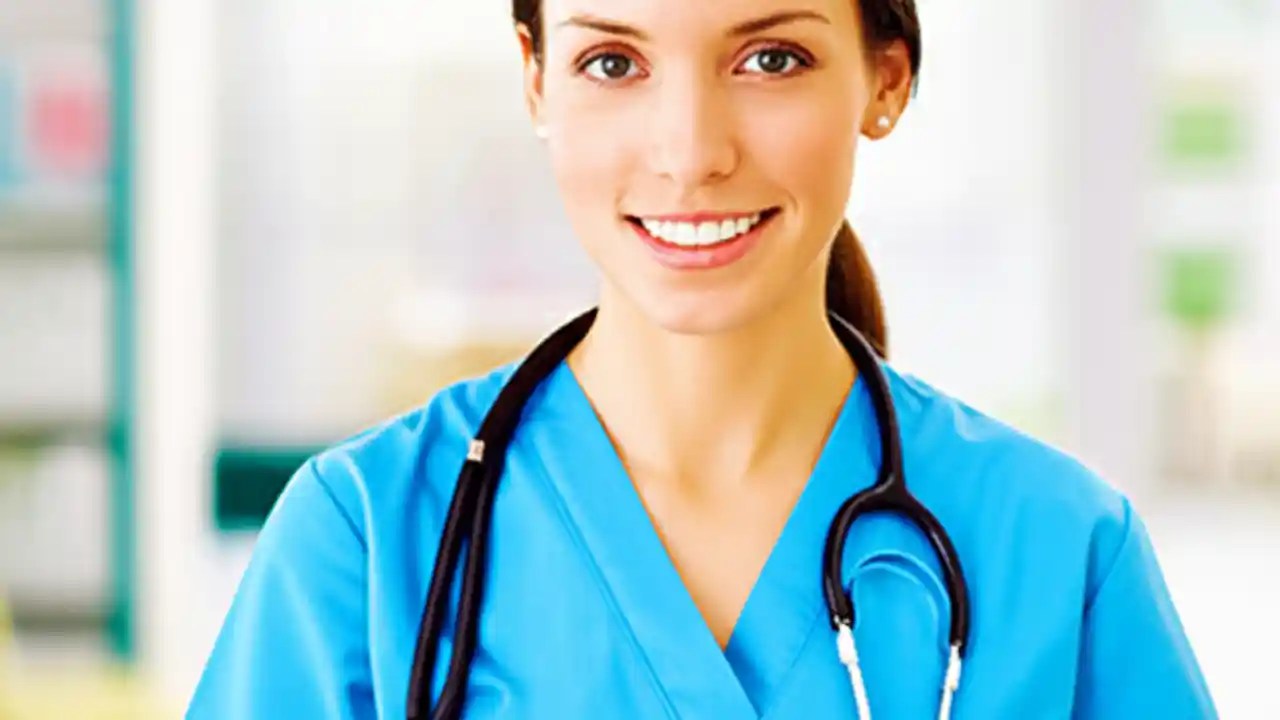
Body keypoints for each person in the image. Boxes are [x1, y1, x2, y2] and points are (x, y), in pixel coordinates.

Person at [188, 0, 1216, 717]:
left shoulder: (1056, 550)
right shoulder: (368, 542)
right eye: (612, 63)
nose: (688, 151)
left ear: (885, 80)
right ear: (535, 78)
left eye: (769, 58)